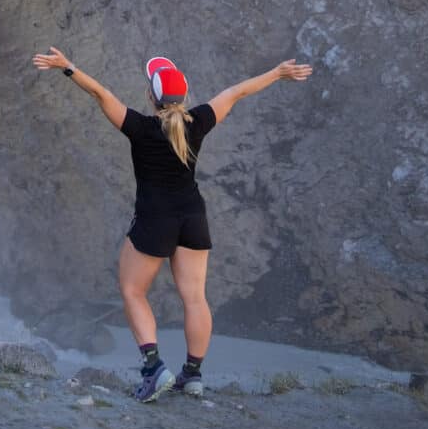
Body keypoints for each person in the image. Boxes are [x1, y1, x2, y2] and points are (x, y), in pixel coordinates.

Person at [31, 45, 313, 401]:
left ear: (151, 96)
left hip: (154, 218)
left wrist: (67, 66)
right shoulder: (198, 122)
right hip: (193, 216)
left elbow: (100, 93)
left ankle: (153, 369)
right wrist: (277, 73)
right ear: (185, 95)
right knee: (194, 297)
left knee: (133, 291)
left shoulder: (140, 127)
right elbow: (237, 92)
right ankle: (192, 375)